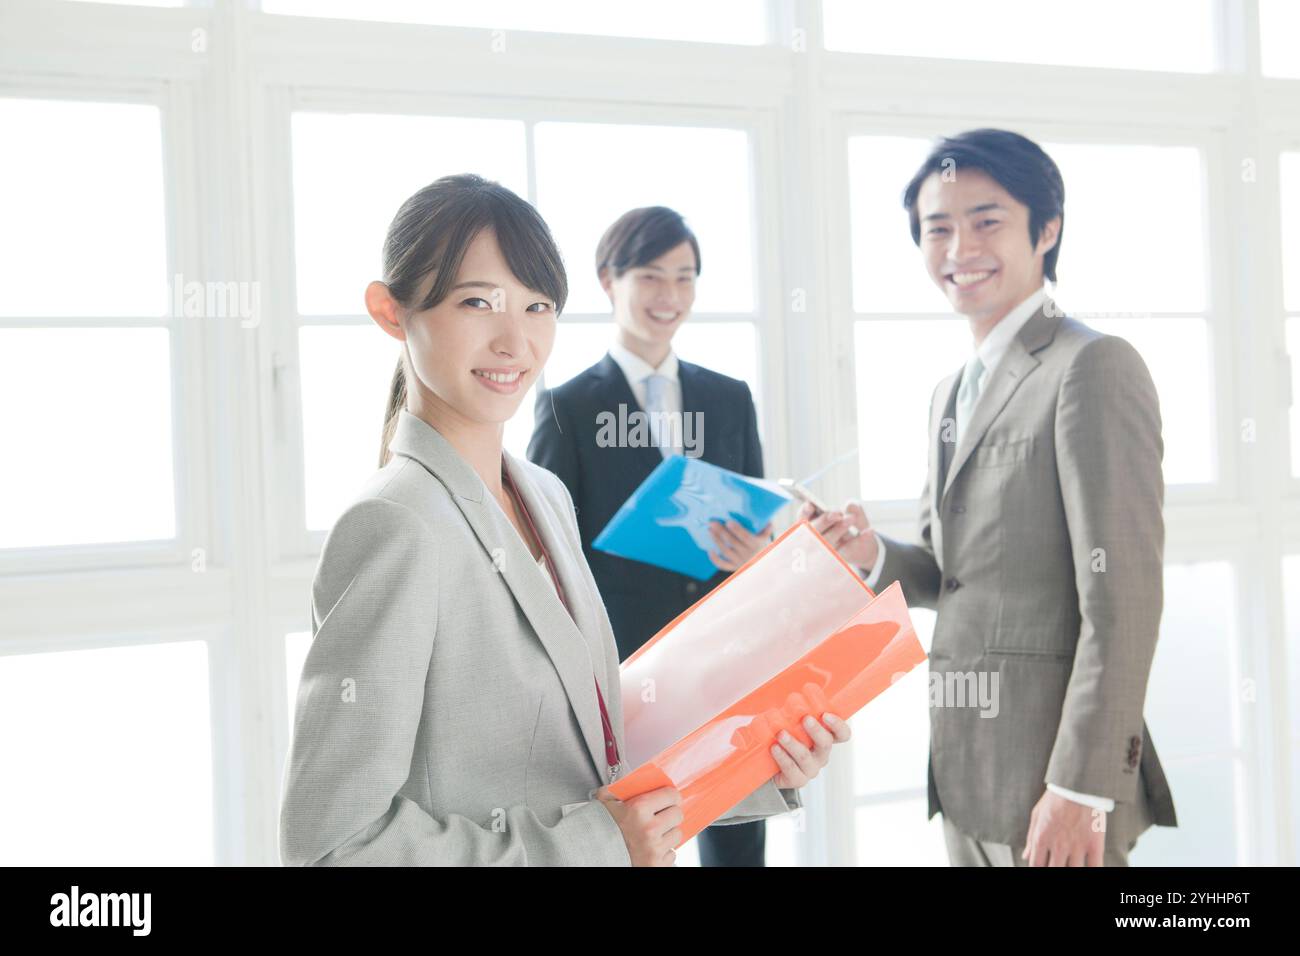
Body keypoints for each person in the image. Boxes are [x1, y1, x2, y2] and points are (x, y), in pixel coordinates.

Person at [278, 174, 851, 866]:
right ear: (391, 311)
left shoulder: (544, 494)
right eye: (477, 302)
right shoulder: (395, 523)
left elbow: (593, 753)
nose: (514, 340)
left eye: (537, 305)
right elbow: (331, 845)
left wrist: (760, 756)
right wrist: (595, 843)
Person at [808, 129, 1177, 866]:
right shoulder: (951, 392)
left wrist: (1081, 789)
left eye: (986, 220)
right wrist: (872, 554)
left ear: (1047, 230)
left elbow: (1123, 600)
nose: (957, 247)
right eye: (936, 228)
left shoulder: (1092, 366)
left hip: (1054, 780)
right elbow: (950, 573)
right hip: (967, 772)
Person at [528, 206, 776, 866]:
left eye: (685, 277)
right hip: (625, 673)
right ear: (608, 280)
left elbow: (758, 526)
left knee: (737, 843)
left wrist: (758, 554)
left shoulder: (730, 398)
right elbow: (546, 553)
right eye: (651, 276)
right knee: (633, 841)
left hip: (726, 662)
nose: (671, 296)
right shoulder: (567, 407)